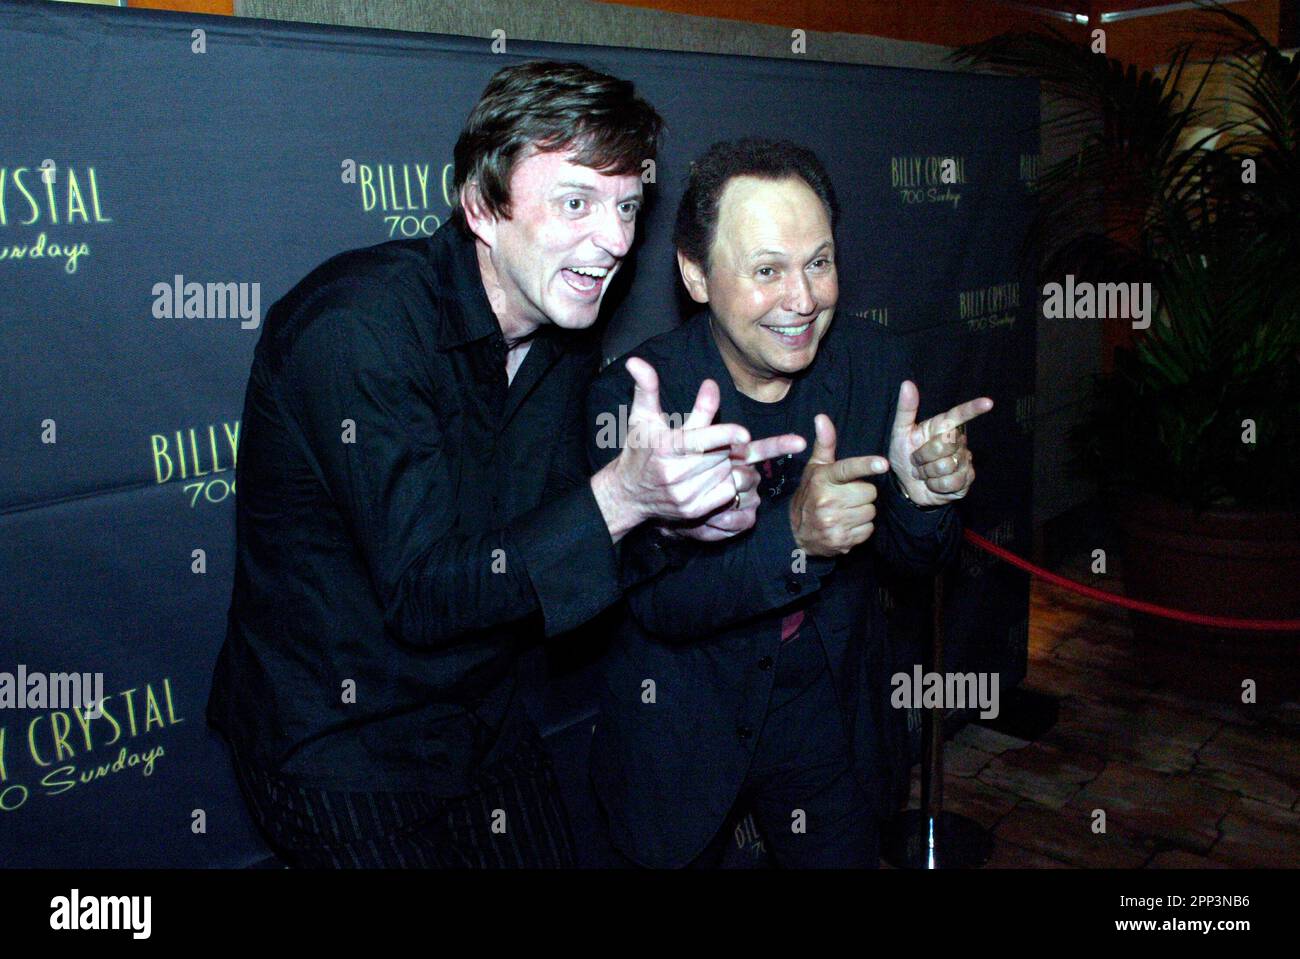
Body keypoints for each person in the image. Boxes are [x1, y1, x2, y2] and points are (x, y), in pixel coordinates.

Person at [206, 64, 800, 869]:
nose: (618, 240)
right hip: (340, 743)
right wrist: (623, 495)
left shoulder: (562, 329)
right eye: (577, 202)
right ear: (483, 206)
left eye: (627, 207)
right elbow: (423, 590)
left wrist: (678, 521)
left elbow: (550, 539)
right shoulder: (357, 332)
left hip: (479, 718)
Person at [586, 137, 993, 868]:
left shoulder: (875, 367)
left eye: (820, 263)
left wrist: (925, 500)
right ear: (695, 273)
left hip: (830, 716)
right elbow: (654, 603)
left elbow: (920, 561)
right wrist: (795, 535)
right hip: (683, 725)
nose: (802, 300)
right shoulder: (639, 399)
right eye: (767, 270)